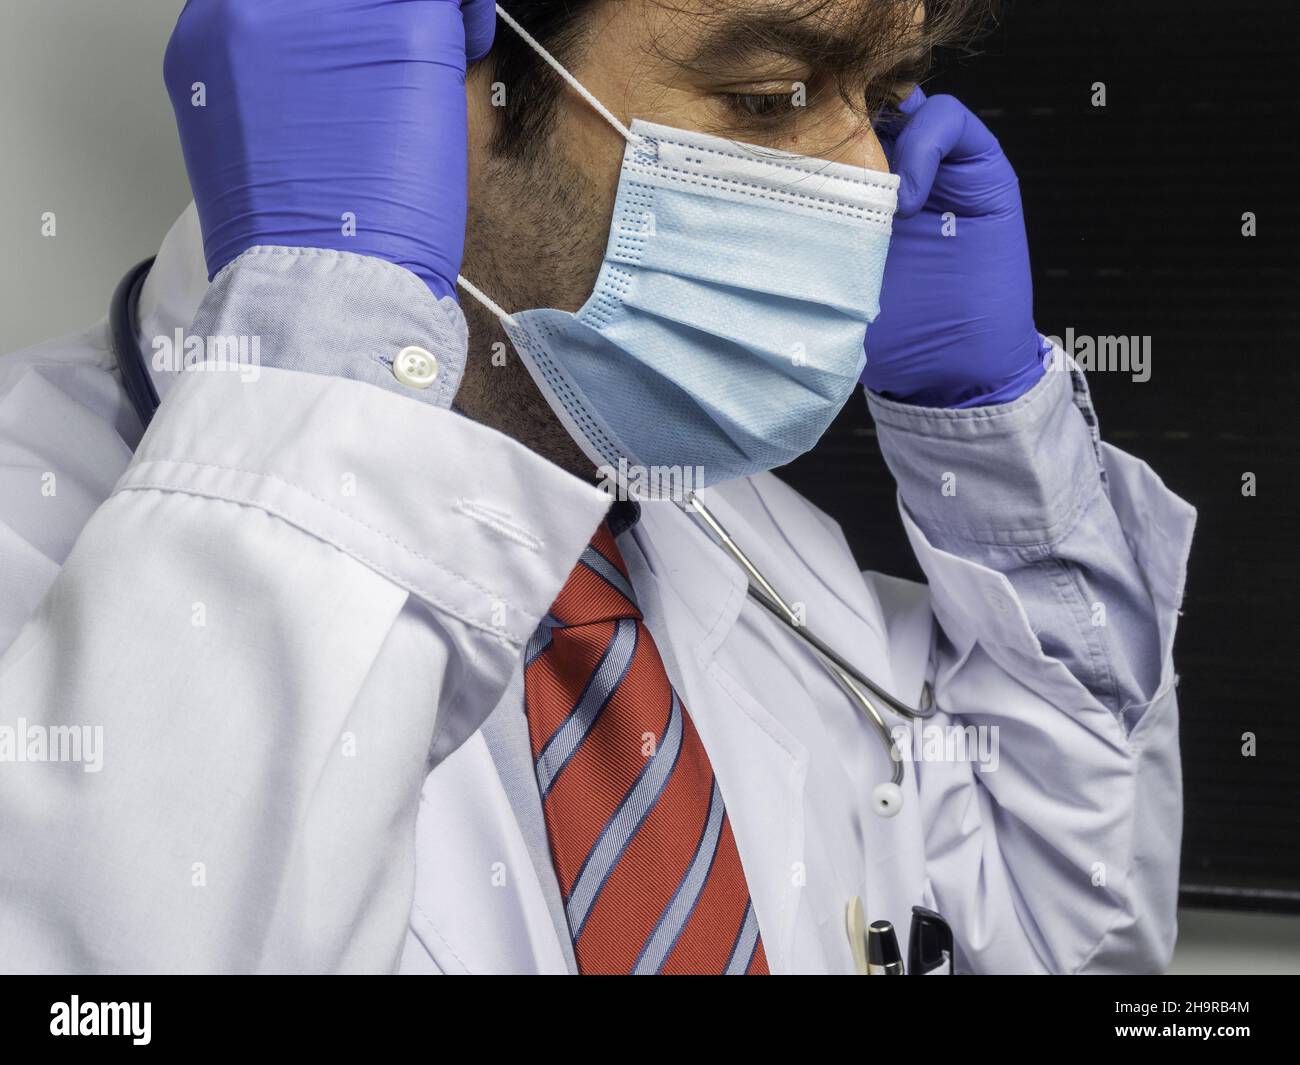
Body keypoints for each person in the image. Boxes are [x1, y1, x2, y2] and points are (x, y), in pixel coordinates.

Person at [0, 0, 1195, 974]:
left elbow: (1068, 942)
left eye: (879, 102)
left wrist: (990, 446)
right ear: (449, 77)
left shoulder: (754, 537)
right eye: (772, 95)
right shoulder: (29, 532)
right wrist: (321, 351)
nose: (871, 181)